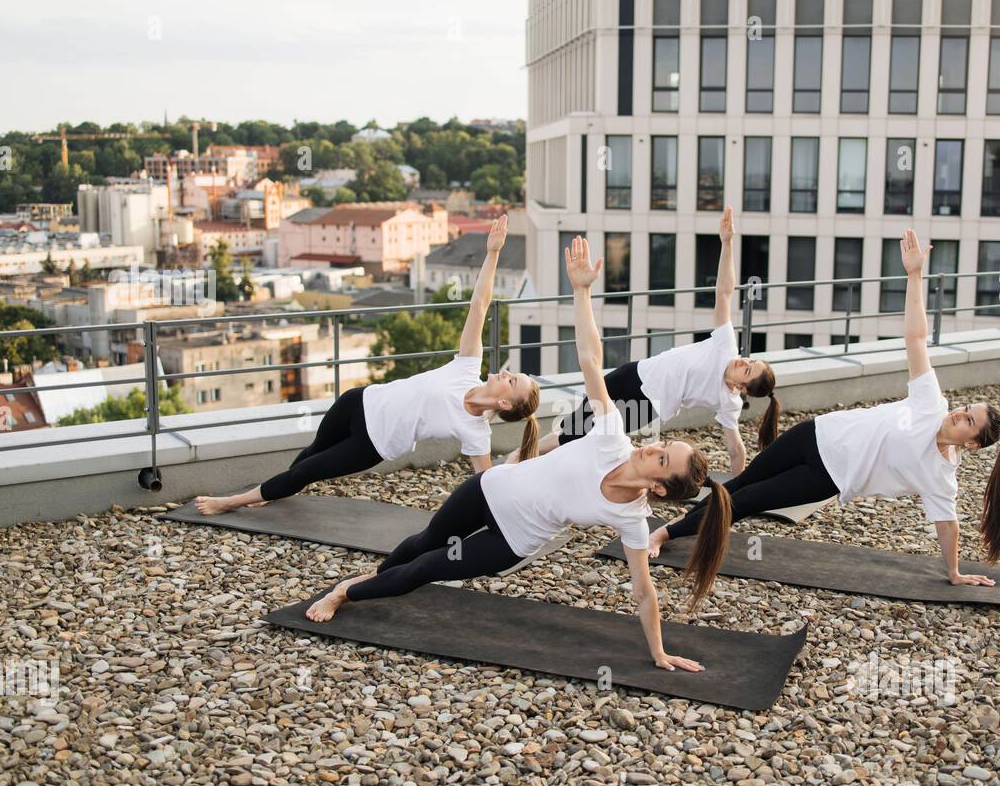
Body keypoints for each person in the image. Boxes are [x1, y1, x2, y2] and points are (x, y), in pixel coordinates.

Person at [307, 237, 734, 672]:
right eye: (663, 444)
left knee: (425, 569)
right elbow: (590, 359)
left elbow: (644, 592)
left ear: (659, 487)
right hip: (487, 489)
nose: (653, 445)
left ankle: (344, 593)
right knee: (423, 543)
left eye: (661, 457)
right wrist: (582, 291)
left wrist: (659, 653)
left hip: (511, 539)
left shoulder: (633, 520)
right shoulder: (612, 437)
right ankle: (374, 581)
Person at [648, 229, 1000, 587]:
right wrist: (915, 275)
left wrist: (954, 572)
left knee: (744, 502)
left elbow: (947, 523)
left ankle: (665, 533)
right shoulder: (930, 401)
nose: (958, 413)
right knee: (741, 481)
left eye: (967, 420)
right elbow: (916, 336)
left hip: (827, 476)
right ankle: (669, 507)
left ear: (971, 443)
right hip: (815, 432)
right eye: (966, 407)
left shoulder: (940, 475)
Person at [194, 216, 540, 516]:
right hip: (358, 402)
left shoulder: (476, 432)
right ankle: (274, 490)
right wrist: (492, 252)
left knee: (309, 470)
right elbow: (479, 305)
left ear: (505, 404)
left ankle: (233, 501)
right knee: (310, 455)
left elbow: (483, 482)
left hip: (372, 444)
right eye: (513, 374)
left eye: (513, 382)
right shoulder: (467, 367)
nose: (507, 373)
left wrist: (513, 497)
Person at [535, 207, 778, 476]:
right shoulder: (726, 347)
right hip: (636, 372)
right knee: (577, 422)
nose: (744, 360)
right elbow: (724, 292)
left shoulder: (728, 401)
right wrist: (727, 243)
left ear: (740, 388)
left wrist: (736, 489)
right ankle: (530, 459)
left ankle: (523, 460)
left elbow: (736, 448)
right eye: (751, 360)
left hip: (648, 405)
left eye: (747, 369)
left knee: (584, 433)